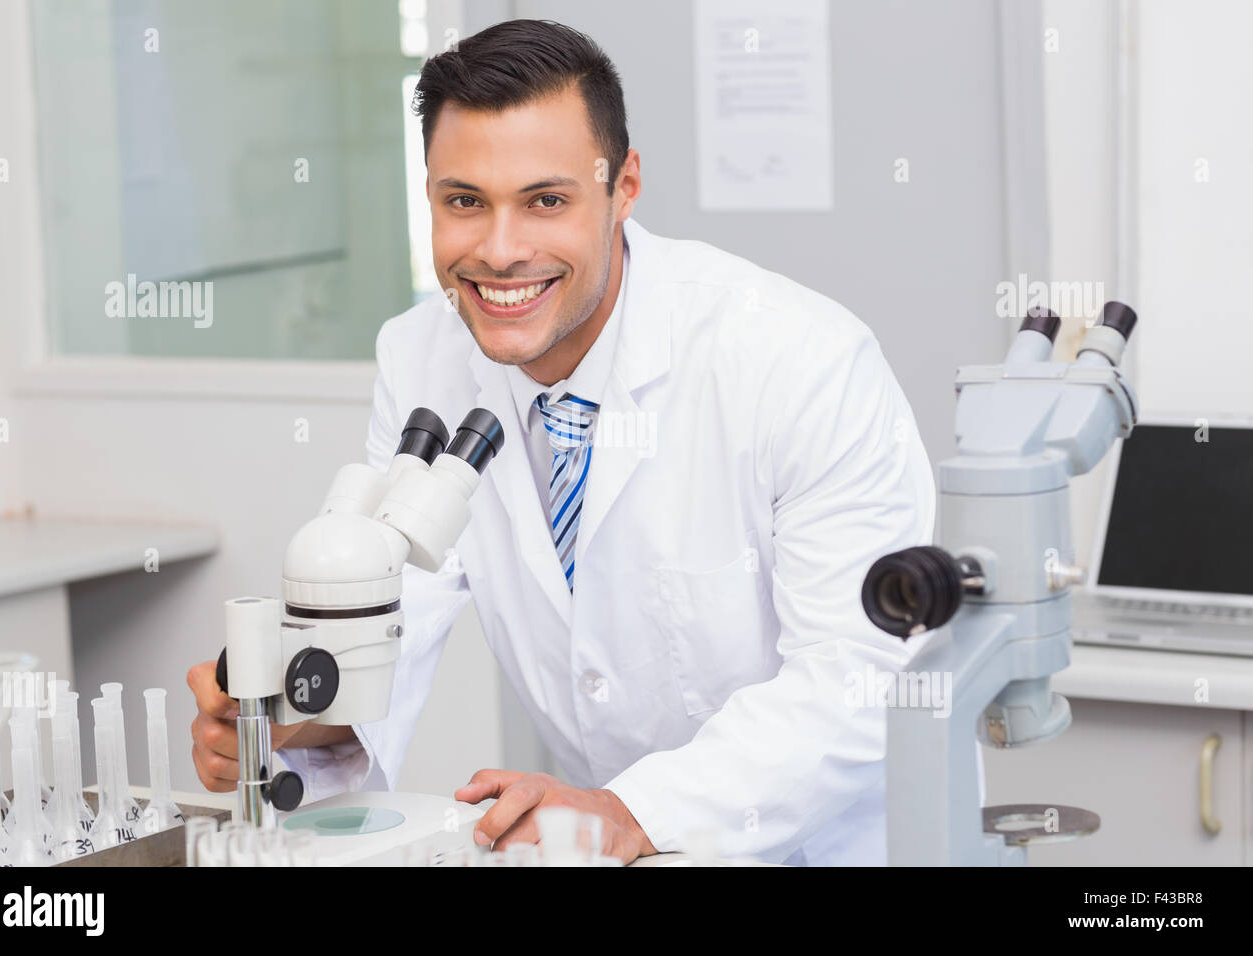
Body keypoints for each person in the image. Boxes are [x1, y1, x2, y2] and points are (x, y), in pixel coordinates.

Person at [188, 17, 935, 866]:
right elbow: (399, 614)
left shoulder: (799, 362)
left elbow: (861, 680)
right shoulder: (420, 355)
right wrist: (289, 719)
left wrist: (628, 811)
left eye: (546, 200)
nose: (500, 253)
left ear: (624, 187)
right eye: (463, 201)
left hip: (840, 848)